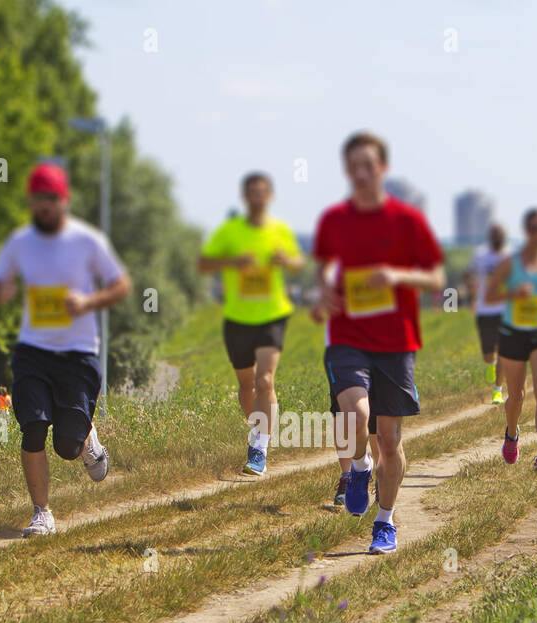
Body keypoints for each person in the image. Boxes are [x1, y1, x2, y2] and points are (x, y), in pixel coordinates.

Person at [312, 131, 445, 554]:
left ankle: (384, 522)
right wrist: (323, 294)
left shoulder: (407, 221)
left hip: (395, 343)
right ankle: (358, 467)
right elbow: (323, 274)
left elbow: (436, 278)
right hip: (348, 337)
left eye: (369, 164)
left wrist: (397, 276)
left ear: (382, 168)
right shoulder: (334, 220)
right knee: (354, 412)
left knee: (391, 439)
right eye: (353, 166)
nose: (361, 173)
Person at [0, 162, 132, 536]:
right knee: (32, 428)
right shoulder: (20, 242)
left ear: (63, 200)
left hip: (77, 354)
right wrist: (1, 290)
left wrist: (86, 302)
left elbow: (120, 285)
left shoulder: (86, 241)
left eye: (51, 198)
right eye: (38, 199)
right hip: (33, 351)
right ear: (31, 202)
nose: (45, 205)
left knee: (66, 445)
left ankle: (86, 440)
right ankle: (41, 512)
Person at [197, 173, 304, 475]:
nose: (257, 198)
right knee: (246, 386)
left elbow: (298, 263)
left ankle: (259, 448)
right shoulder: (230, 231)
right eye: (252, 193)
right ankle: (258, 431)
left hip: (273, 313)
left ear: (270, 196)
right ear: (245, 197)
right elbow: (204, 264)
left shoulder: (279, 229)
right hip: (238, 317)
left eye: (262, 193)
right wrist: (232, 263)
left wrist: (286, 261)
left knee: (265, 381)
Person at [486, 208, 537, 473]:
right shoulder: (510, 262)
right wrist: (513, 294)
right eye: (534, 228)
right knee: (516, 395)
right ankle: (512, 433)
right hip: (513, 333)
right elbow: (490, 296)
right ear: (526, 230)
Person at [465, 223, 510, 406]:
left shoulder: (510, 255)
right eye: (494, 233)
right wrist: (472, 297)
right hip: (485, 309)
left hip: (505, 309)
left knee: (504, 351)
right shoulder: (480, 254)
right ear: (490, 236)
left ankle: (497, 389)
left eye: (500, 233)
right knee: (488, 352)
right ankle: (490, 364)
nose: (497, 236)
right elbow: (468, 274)